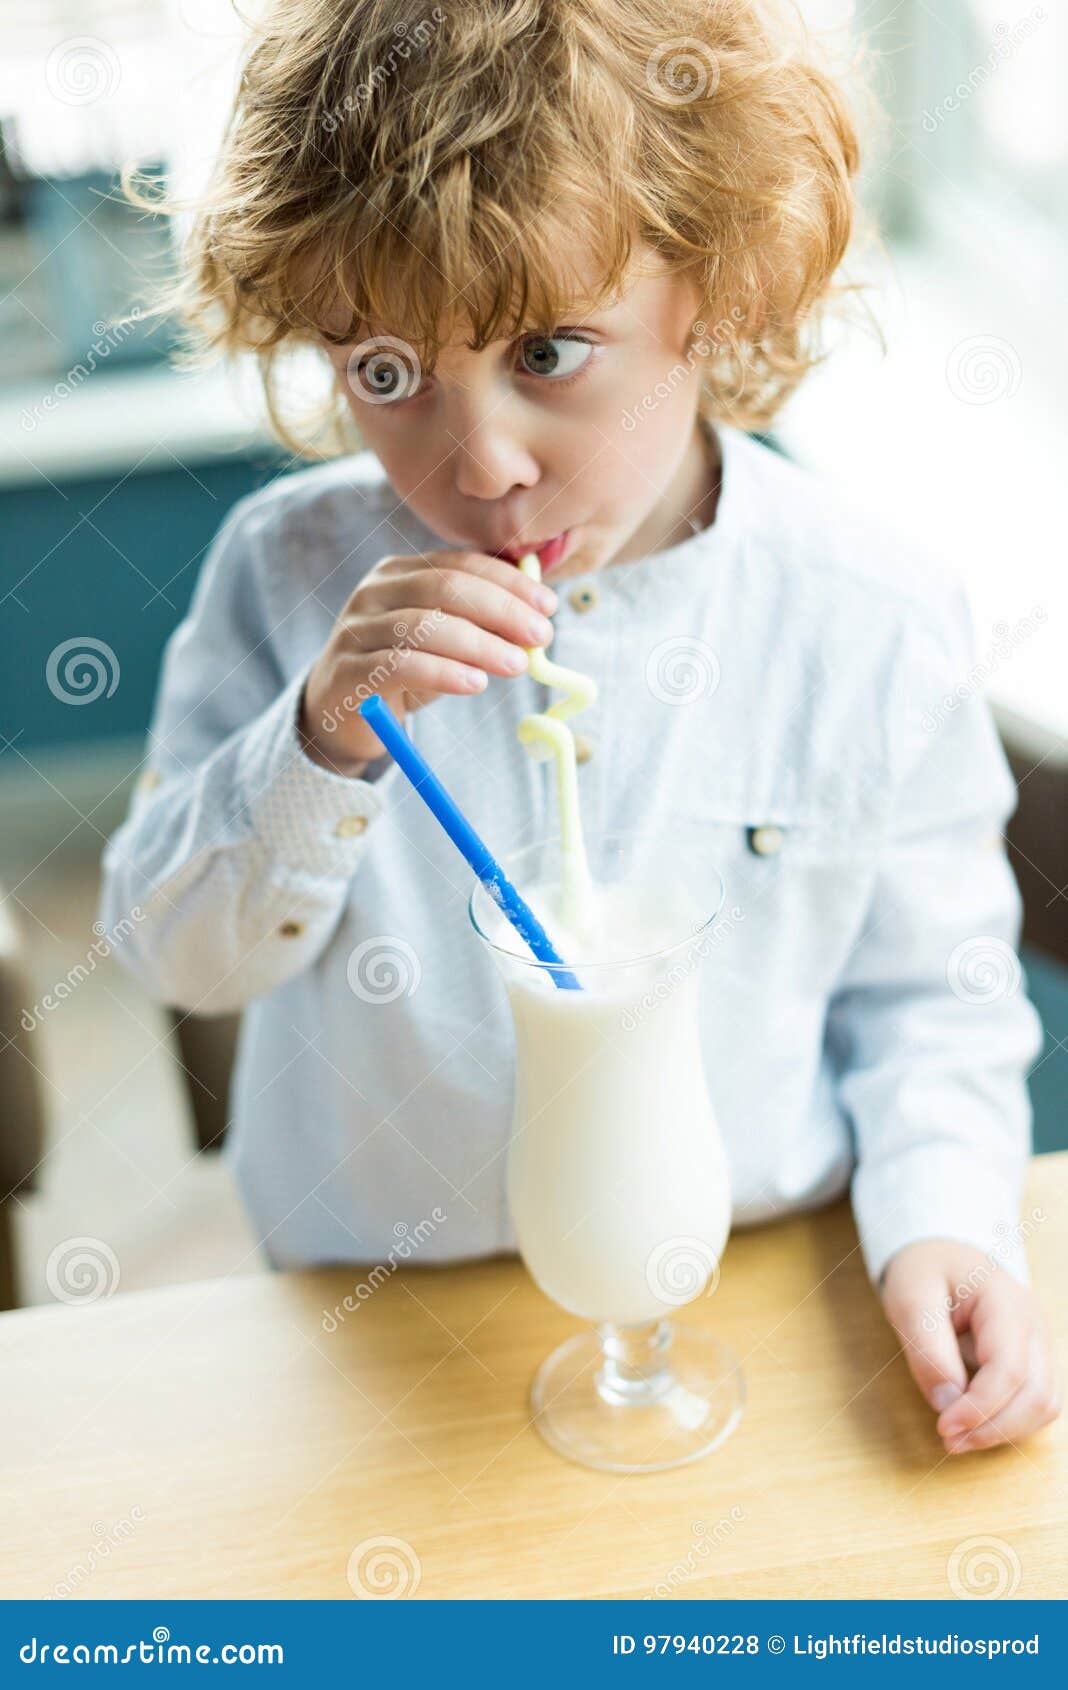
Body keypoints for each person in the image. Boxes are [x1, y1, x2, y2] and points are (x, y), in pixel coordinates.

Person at [101, 0, 1060, 1455]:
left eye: (548, 349)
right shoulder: (286, 581)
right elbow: (177, 950)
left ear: (717, 286)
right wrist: (316, 743)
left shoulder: (868, 615)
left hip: (758, 1299)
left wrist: (942, 1214)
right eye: (384, 372)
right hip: (377, 1325)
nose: (477, 461)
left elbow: (933, 999)